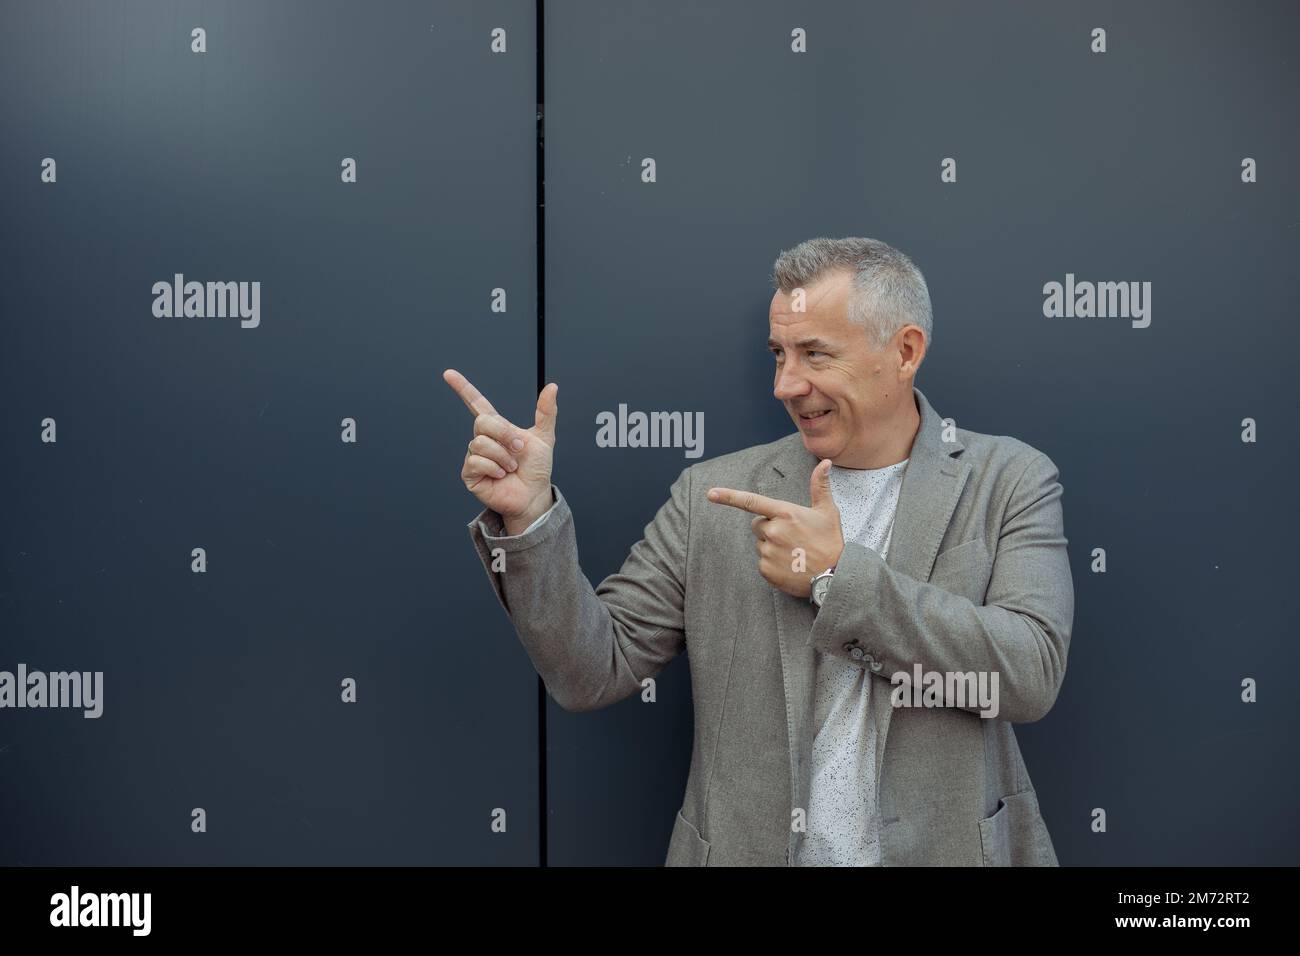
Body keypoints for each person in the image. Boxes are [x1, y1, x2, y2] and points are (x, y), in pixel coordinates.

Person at [446, 236, 1074, 866]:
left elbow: (1029, 672)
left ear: (905, 351)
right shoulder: (712, 495)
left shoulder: (1008, 480)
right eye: (778, 354)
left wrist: (835, 575)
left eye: (814, 354)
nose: (785, 384)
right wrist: (529, 518)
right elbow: (594, 670)